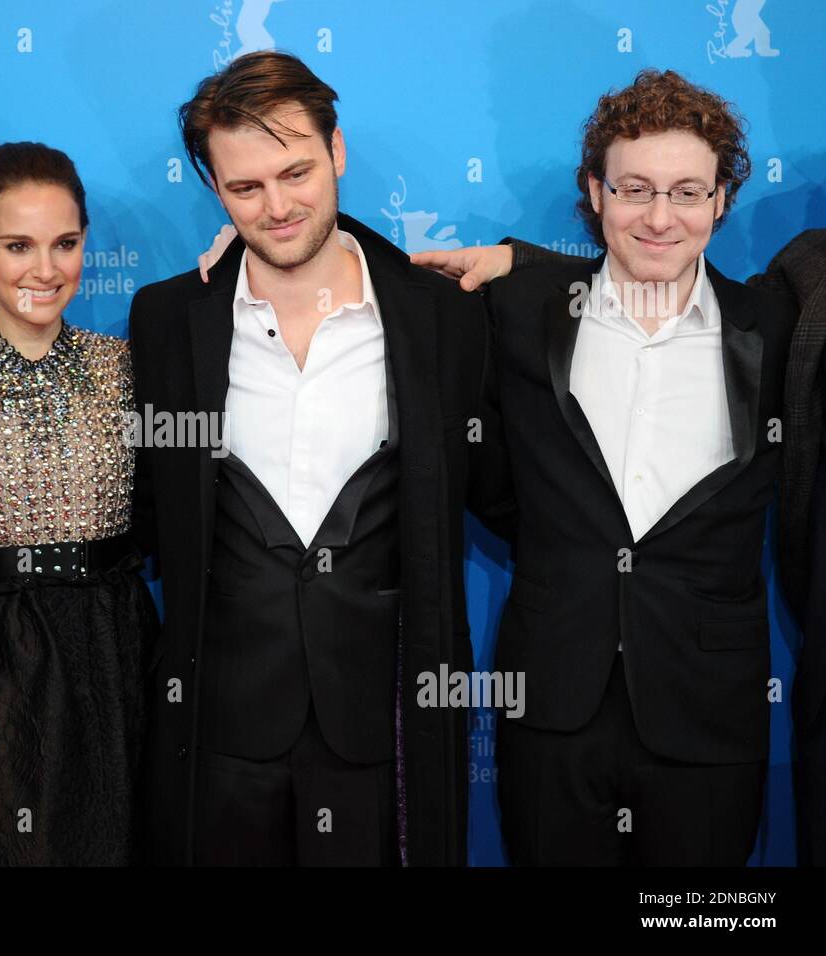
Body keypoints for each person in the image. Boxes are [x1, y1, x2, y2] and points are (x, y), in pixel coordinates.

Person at [128, 50, 513, 866]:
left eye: (296, 172)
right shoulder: (167, 320)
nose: (276, 207)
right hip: (221, 727)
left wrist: (532, 263)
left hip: (384, 724)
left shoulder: (440, 316)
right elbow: (143, 510)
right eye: (245, 187)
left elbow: (507, 492)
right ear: (214, 189)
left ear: (337, 151)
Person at [416, 69, 797, 865]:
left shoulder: (779, 327)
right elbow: (348, 270)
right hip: (553, 696)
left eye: (688, 192)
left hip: (709, 709)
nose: (660, 218)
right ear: (595, 192)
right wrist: (245, 240)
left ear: (722, 198)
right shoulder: (520, 307)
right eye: (634, 189)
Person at [0, 143, 158, 865]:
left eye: (65, 244)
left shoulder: (130, 370)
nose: (45, 270)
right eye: (18, 245)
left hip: (116, 639)